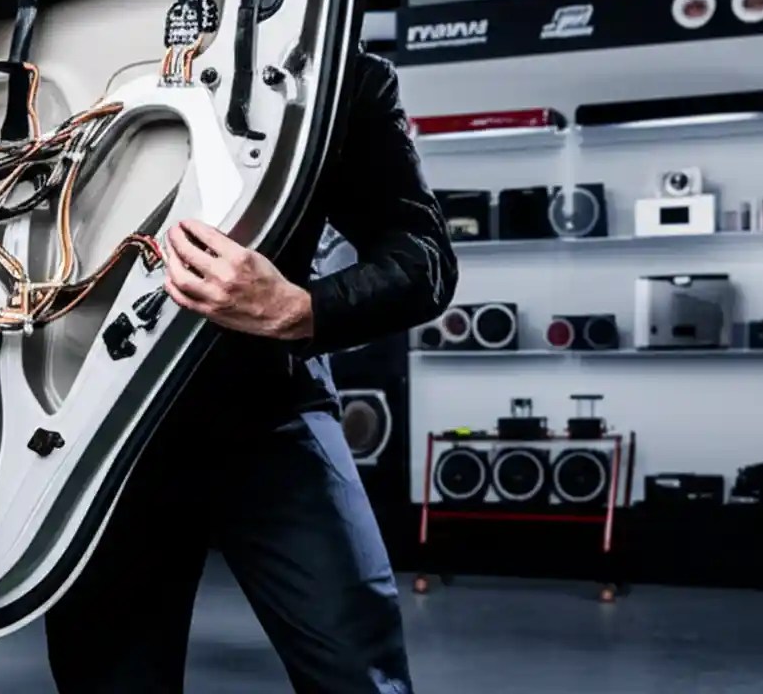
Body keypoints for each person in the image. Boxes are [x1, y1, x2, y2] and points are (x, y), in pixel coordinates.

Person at [44, 41, 458, 693]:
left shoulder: (342, 77)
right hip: (103, 439)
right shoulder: (68, 51)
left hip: (270, 417)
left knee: (359, 679)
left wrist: (300, 308)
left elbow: (424, 260)